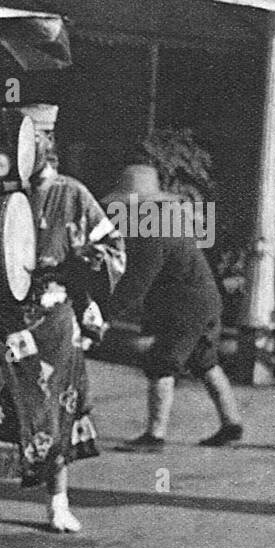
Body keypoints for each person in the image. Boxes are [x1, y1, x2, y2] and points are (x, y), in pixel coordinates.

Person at [0, 104, 125, 540]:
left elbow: (113, 249)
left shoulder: (71, 194)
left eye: (20, 146)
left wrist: (77, 270)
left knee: (52, 412)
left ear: (43, 146)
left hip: (51, 320)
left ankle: (58, 501)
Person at [104, 163, 243, 449]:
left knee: (161, 363)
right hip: (204, 301)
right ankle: (231, 424)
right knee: (205, 362)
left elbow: (136, 283)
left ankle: (155, 435)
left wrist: (105, 314)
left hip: (184, 307)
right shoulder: (168, 222)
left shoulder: (152, 233)